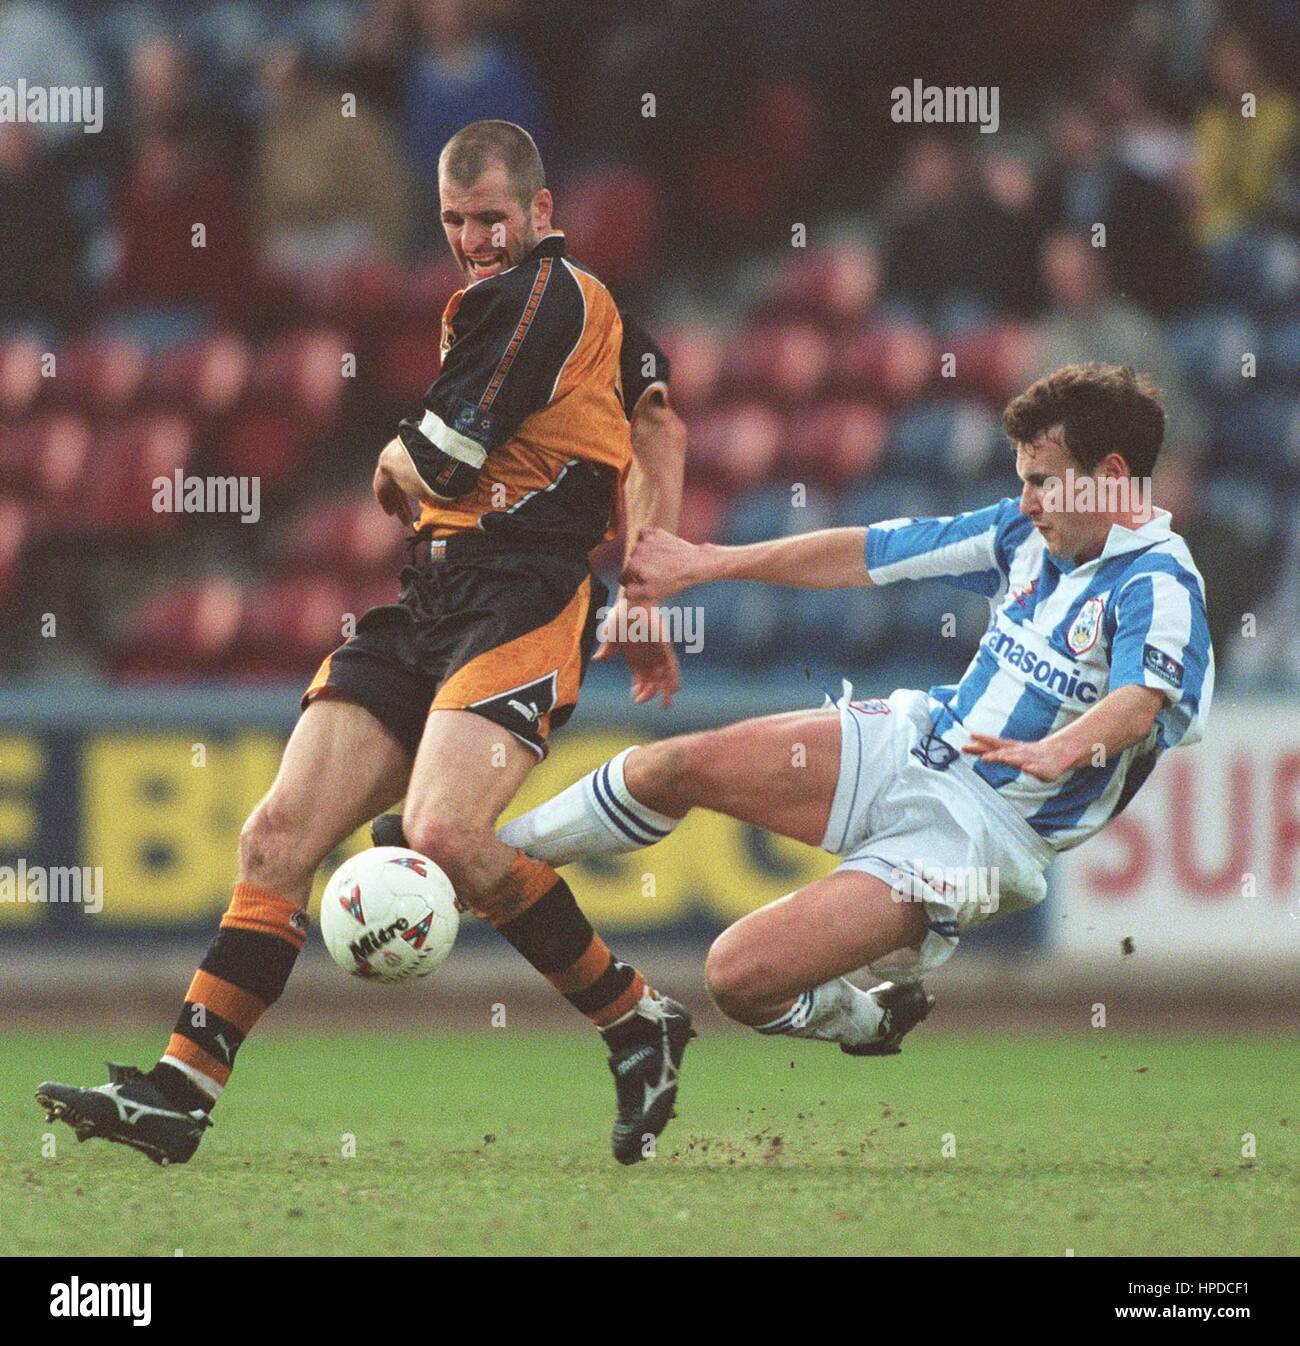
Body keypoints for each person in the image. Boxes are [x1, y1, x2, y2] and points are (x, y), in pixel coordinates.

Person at [36, 120, 692, 1168]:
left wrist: (396, 459)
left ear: (542, 214)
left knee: (437, 829)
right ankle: (180, 1092)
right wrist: (649, 564)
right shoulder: (575, 310)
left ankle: (633, 1013)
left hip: (522, 597)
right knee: (275, 839)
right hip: (434, 594)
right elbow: (655, 424)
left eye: (492, 219)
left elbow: (427, 462)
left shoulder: (539, 297)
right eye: (454, 220)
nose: (474, 238)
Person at [499, 364, 1214, 1059]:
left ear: (1113, 477)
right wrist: (710, 562)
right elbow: (869, 553)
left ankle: (867, 1021)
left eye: (1041, 482)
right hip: (919, 741)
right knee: (674, 764)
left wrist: (1060, 750)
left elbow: (1138, 702)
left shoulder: (1159, 583)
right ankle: (495, 859)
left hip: (977, 839)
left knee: (738, 978)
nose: (1026, 501)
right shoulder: (1021, 536)